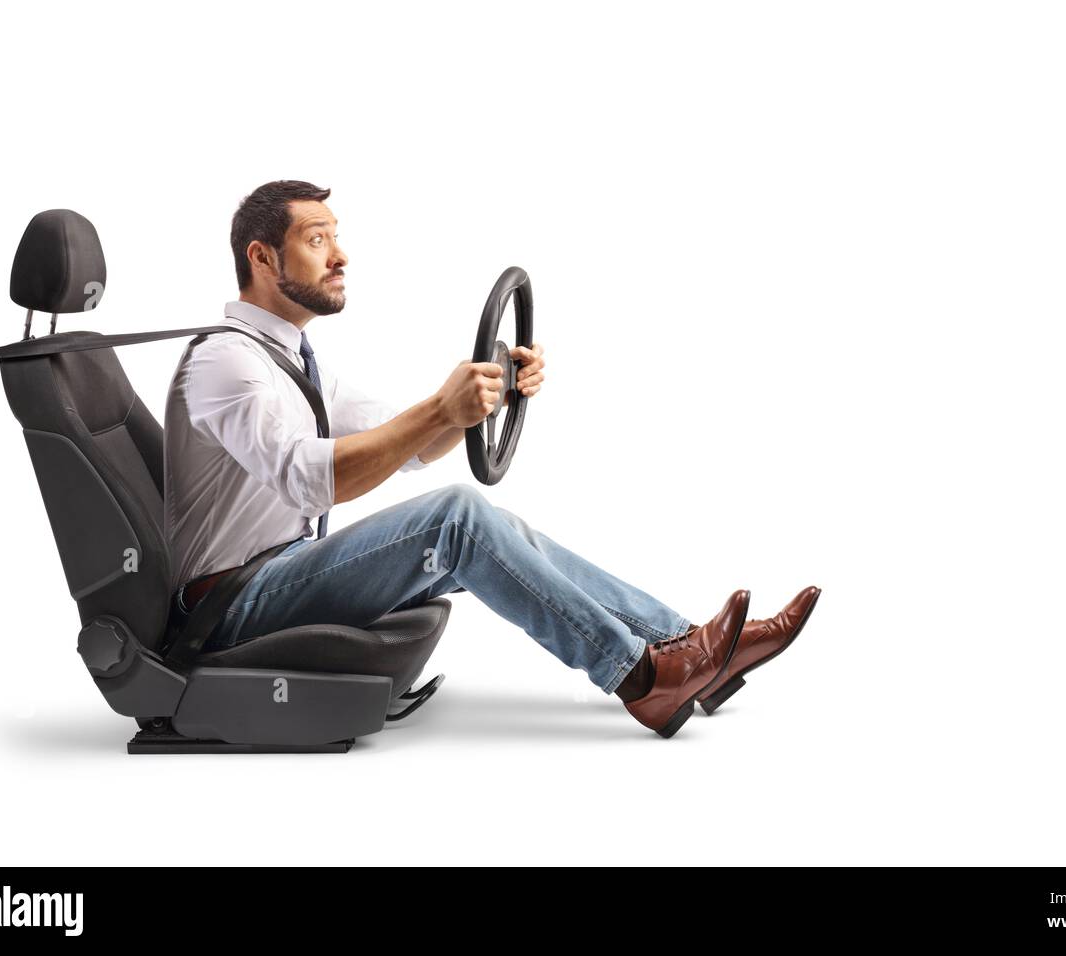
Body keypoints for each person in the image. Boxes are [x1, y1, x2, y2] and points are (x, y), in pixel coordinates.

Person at [163, 180, 820, 738]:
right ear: (261, 256)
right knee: (457, 517)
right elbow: (313, 479)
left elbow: (406, 444)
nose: (340, 256)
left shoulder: (291, 361)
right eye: (317, 240)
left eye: (335, 237)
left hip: (282, 574)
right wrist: (440, 411)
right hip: (233, 608)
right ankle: (644, 678)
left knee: (501, 527)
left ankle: (689, 645)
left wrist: (484, 392)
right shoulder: (228, 358)